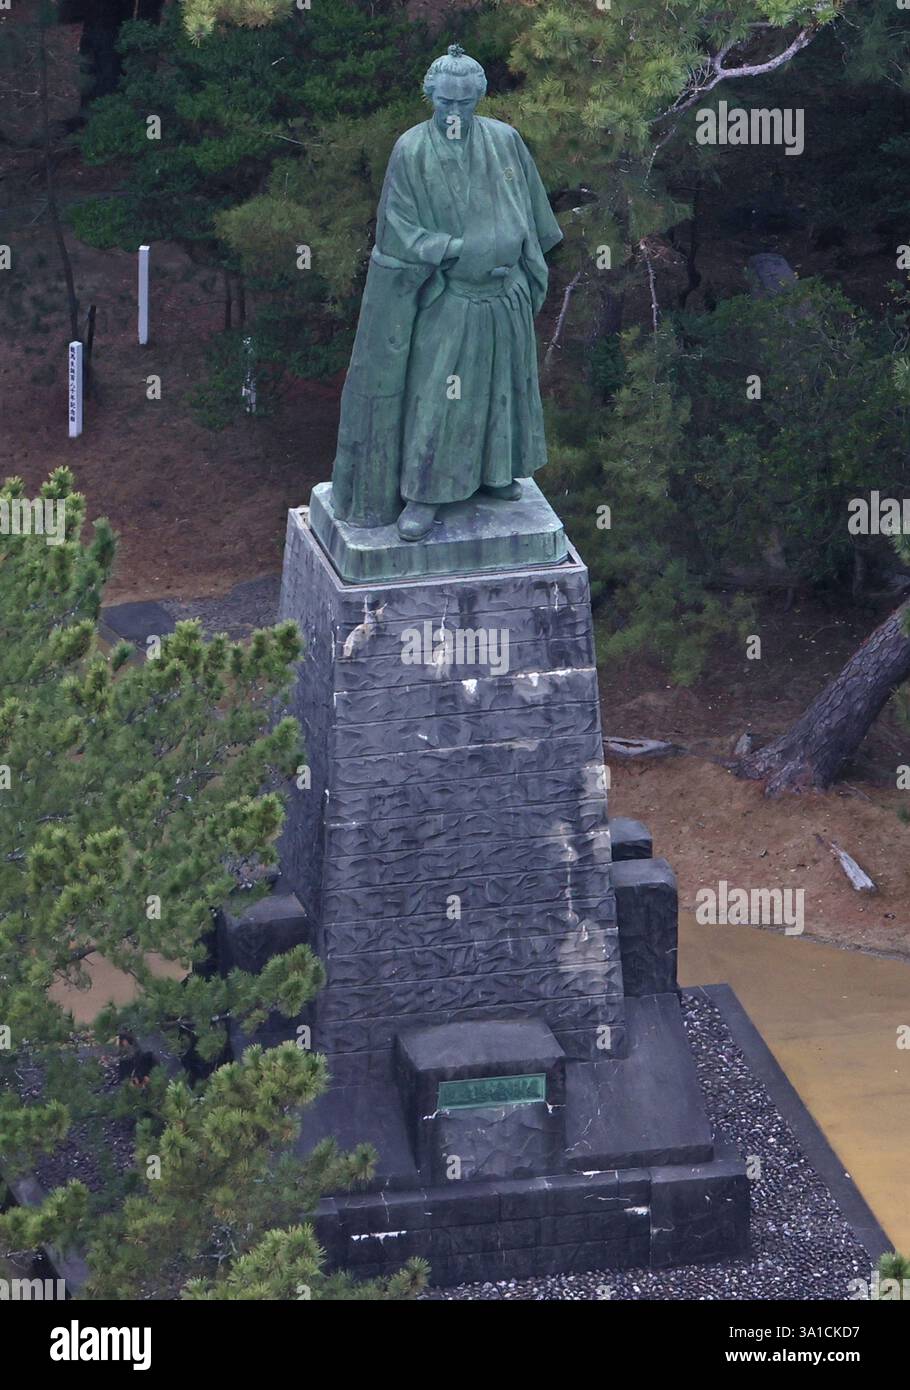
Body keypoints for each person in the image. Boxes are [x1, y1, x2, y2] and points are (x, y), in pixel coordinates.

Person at [329, 45, 563, 541]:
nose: (454, 113)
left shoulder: (505, 140)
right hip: (451, 296)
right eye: (445, 103)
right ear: (430, 98)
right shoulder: (411, 149)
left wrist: (514, 260)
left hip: (506, 294)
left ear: (478, 98)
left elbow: (535, 215)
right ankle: (425, 493)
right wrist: (454, 248)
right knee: (439, 396)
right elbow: (397, 229)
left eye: (464, 103)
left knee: (502, 390)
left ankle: (494, 474)